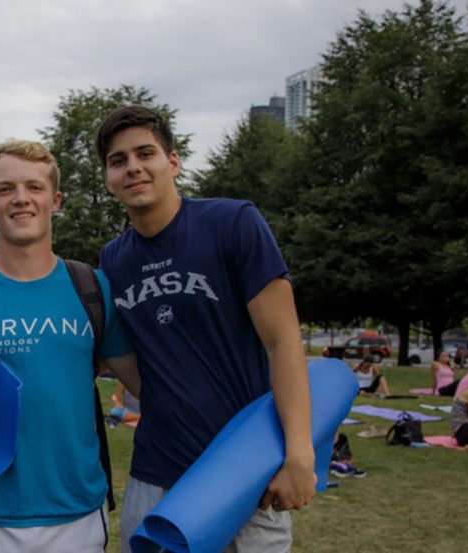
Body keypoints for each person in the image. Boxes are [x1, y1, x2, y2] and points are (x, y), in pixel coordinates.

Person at [95, 106, 312, 552]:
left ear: (172, 162)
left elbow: (283, 341)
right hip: (156, 472)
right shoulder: (112, 260)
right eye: (119, 161)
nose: (133, 167)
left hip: (243, 470)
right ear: (108, 179)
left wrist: (298, 453)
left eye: (145, 153)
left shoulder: (233, 223)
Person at [0, 139, 138, 552]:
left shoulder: (93, 288)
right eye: (6, 189)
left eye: (34, 187)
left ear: (55, 199)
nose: (20, 199)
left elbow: (145, 385)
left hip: (77, 512)